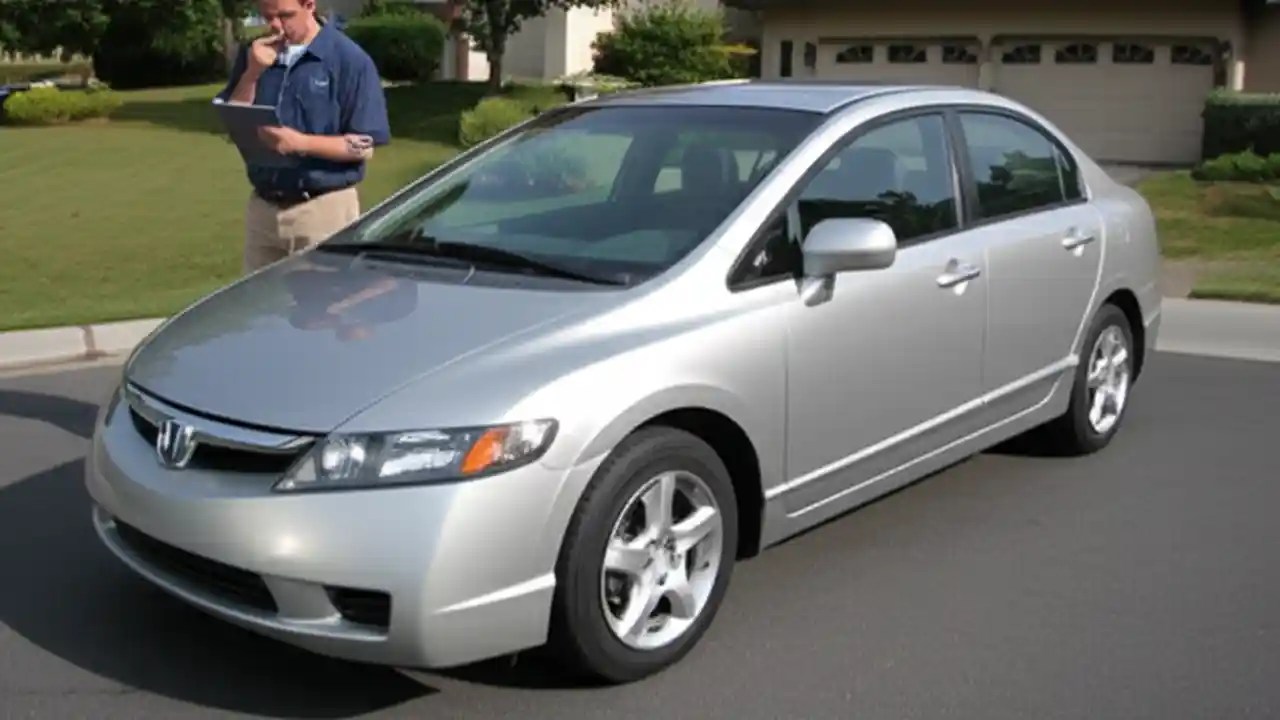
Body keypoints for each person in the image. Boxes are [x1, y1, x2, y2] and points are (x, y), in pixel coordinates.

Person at [216, 0, 390, 274]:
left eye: (285, 15)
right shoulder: (256, 53)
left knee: (324, 311)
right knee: (258, 312)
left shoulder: (348, 60)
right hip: (264, 206)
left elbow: (364, 145)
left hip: (323, 208)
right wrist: (252, 74)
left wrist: (301, 143)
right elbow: (234, 116)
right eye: (267, 17)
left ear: (310, 5)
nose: (275, 25)